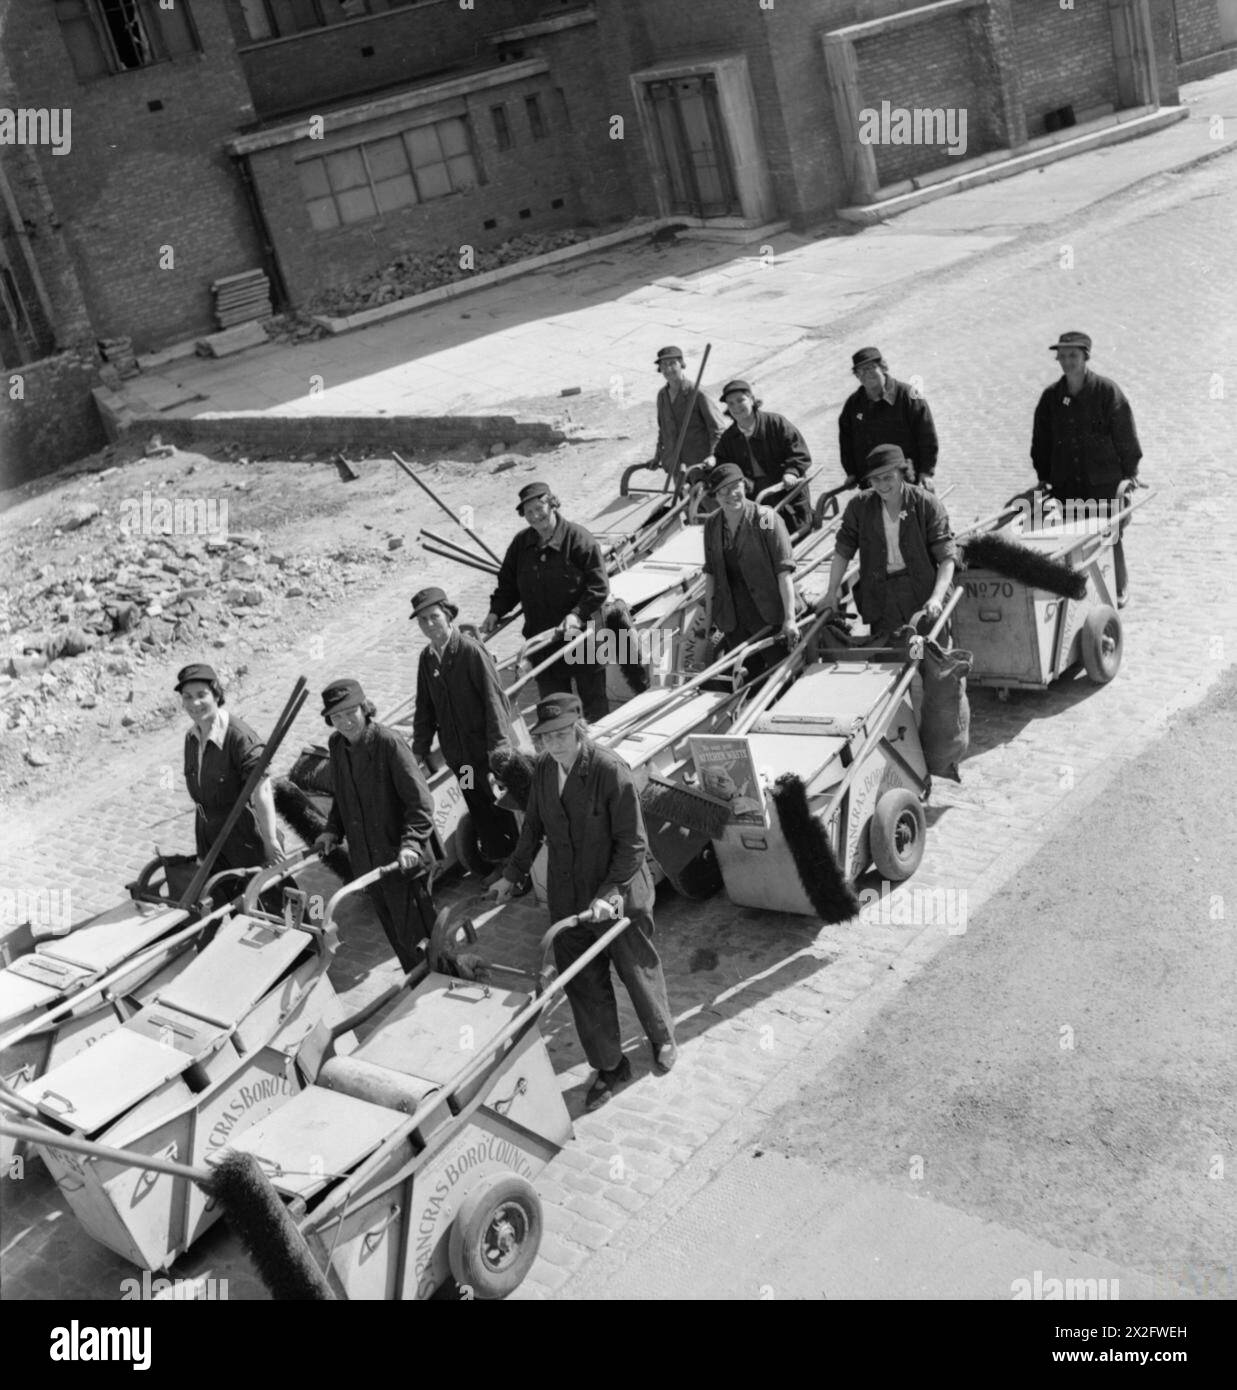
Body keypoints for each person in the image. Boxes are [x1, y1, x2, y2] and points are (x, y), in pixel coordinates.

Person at [488, 694, 676, 1109]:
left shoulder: (610, 770)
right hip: (569, 900)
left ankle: (662, 1037)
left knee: (636, 970)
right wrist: (512, 875)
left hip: (620, 895)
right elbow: (533, 828)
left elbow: (633, 842)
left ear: (578, 727)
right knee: (583, 983)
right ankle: (610, 1066)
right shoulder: (543, 772)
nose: (554, 743)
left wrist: (611, 892)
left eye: (561, 733)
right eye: (545, 737)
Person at [312, 679, 436, 973]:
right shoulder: (337, 746)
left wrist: (412, 843)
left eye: (350, 712)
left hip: (401, 860)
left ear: (365, 709)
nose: (344, 722)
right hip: (368, 861)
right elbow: (342, 797)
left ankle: (439, 980)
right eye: (336, 716)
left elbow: (421, 803)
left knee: (420, 934)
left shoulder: (388, 743)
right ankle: (416, 980)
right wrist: (332, 829)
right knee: (396, 933)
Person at [479, 481, 610, 721]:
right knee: (555, 710)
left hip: (582, 638)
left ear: (552, 504)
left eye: (539, 508)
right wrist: (495, 612)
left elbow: (599, 587)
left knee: (594, 708)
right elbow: (508, 585)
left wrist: (577, 614)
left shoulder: (580, 539)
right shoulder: (521, 544)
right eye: (528, 512)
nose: (535, 516)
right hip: (543, 640)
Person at [410, 586, 519, 868]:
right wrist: (419, 750)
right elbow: (425, 709)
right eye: (423, 621)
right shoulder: (427, 659)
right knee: (477, 804)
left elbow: (494, 703)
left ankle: (519, 867)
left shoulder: (470, 652)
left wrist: (499, 753)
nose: (429, 625)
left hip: (485, 755)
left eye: (434, 617)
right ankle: (498, 860)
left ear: (448, 615)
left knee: (500, 805)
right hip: (461, 760)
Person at [1031, 330, 1141, 606]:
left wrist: (1130, 474)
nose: (1067, 361)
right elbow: (1041, 443)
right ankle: (1081, 591)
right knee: (1073, 536)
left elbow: (1125, 435)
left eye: (1074, 356)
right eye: (1063, 356)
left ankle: (1117, 586)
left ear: (1085, 357)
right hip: (1067, 484)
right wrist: (1045, 478)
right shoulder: (1051, 398)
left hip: (1103, 483)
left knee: (1109, 535)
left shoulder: (1106, 392)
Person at [821, 444, 956, 641]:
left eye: (888, 477)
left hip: (921, 596)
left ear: (902, 473)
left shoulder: (926, 504)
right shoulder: (859, 507)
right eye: (875, 479)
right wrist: (831, 592)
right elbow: (843, 551)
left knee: (924, 655)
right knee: (888, 663)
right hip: (882, 599)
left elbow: (946, 557)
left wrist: (936, 597)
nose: (882, 485)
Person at [178, 662, 282, 879]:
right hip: (208, 838)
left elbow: (261, 791)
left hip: (243, 836)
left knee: (270, 898)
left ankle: (313, 913)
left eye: (201, 695)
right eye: (187, 697)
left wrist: (270, 839)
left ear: (216, 694)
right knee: (221, 899)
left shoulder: (239, 737)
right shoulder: (191, 738)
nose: (194, 703)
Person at [701, 463, 801, 679]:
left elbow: (783, 570)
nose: (731, 495)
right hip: (734, 621)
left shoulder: (764, 518)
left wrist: (789, 619)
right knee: (749, 678)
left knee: (781, 677)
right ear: (715, 496)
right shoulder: (712, 525)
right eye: (722, 492)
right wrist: (709, 619)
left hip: (770, 616)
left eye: (735, 487)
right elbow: (711, 574)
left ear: (744, 486)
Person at [707, 379, 813, 534]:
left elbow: (799, 452)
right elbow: (723, 461)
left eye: (740, 400)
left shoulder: (775, 423)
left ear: (751, 399)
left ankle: (792, 548)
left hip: (784, 487)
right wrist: (713, 460)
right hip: (757, 494)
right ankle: (774, 551)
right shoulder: (730, 436)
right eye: (731, 404)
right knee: (768, 532)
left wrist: (792, 471)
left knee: (795, 531)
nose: (736, 407)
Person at [838, 346, 938, 490]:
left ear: (883, 367)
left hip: (907, 479)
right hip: (871, 481)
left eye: (871, 367)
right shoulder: (853, 404)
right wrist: (851, 472)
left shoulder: (908, 396)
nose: (866, 374)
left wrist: (926, 472)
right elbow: (846, 441)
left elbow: (927, 436)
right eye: (861, 371)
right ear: (857, 376)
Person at [651, 344, 727, 481]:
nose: (668, 369)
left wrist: (713, 455)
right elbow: (663, 430)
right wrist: (658, 456)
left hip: (701, 465)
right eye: (663, 365)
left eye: (672, 363)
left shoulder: (697, 393)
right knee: (682, 500)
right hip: (676, 465)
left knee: (704, 501)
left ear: (681, 364)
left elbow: (718, 429)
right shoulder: (662, 395)